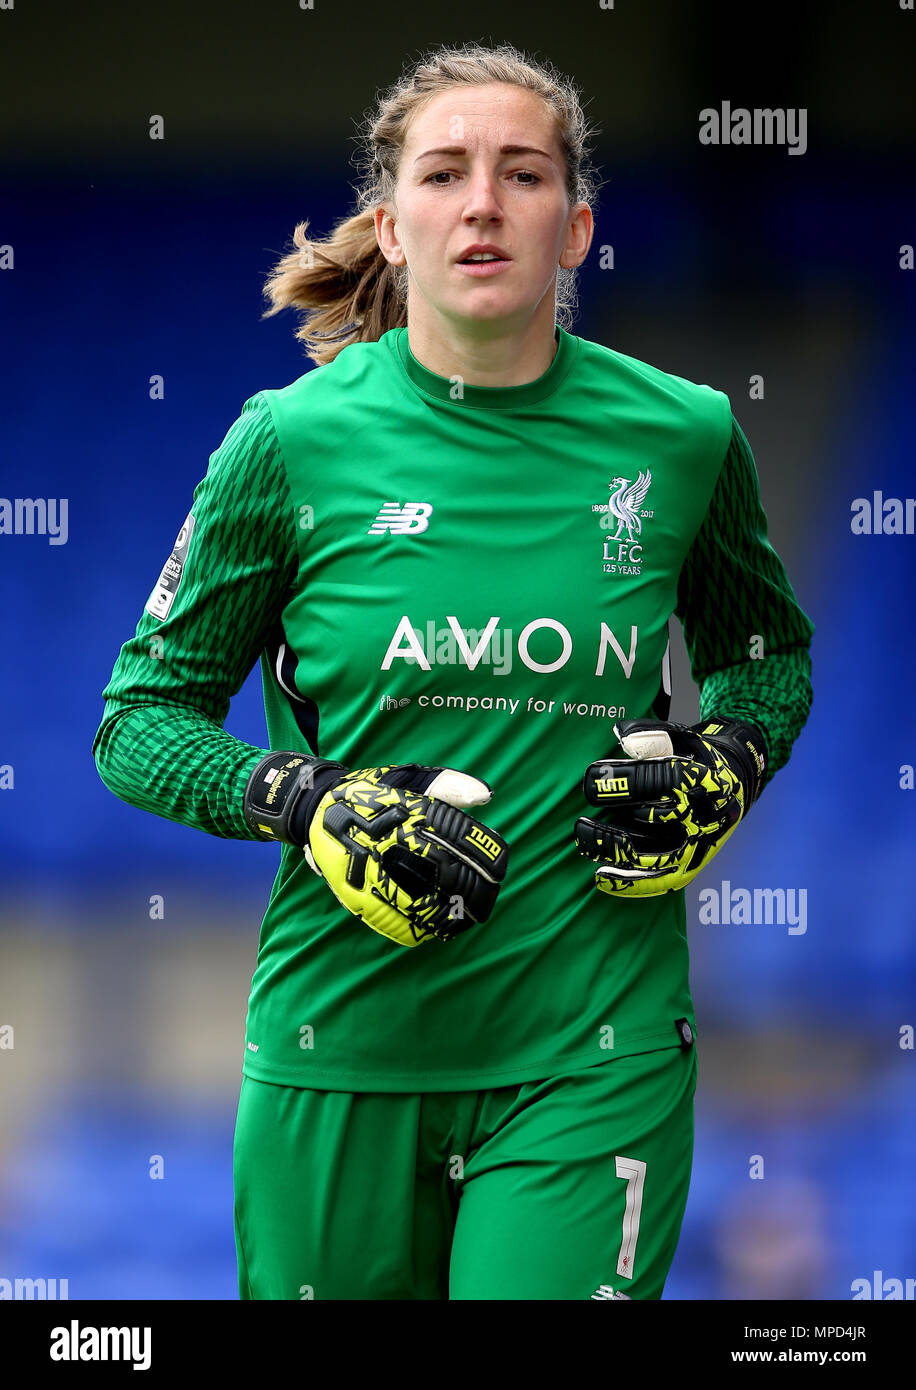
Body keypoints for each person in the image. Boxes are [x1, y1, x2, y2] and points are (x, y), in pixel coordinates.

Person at [92, 40, 814, 1300]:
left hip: (597, 1047)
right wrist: (306, 800)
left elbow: (768, 662)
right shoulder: (287, 444)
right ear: (390, 223)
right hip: (339, 1045)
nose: (483, 202)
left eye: (522, 174)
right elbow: (139, 721)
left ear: (575, 225)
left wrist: (731, 756)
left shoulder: (686, 436)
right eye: (444, 173)